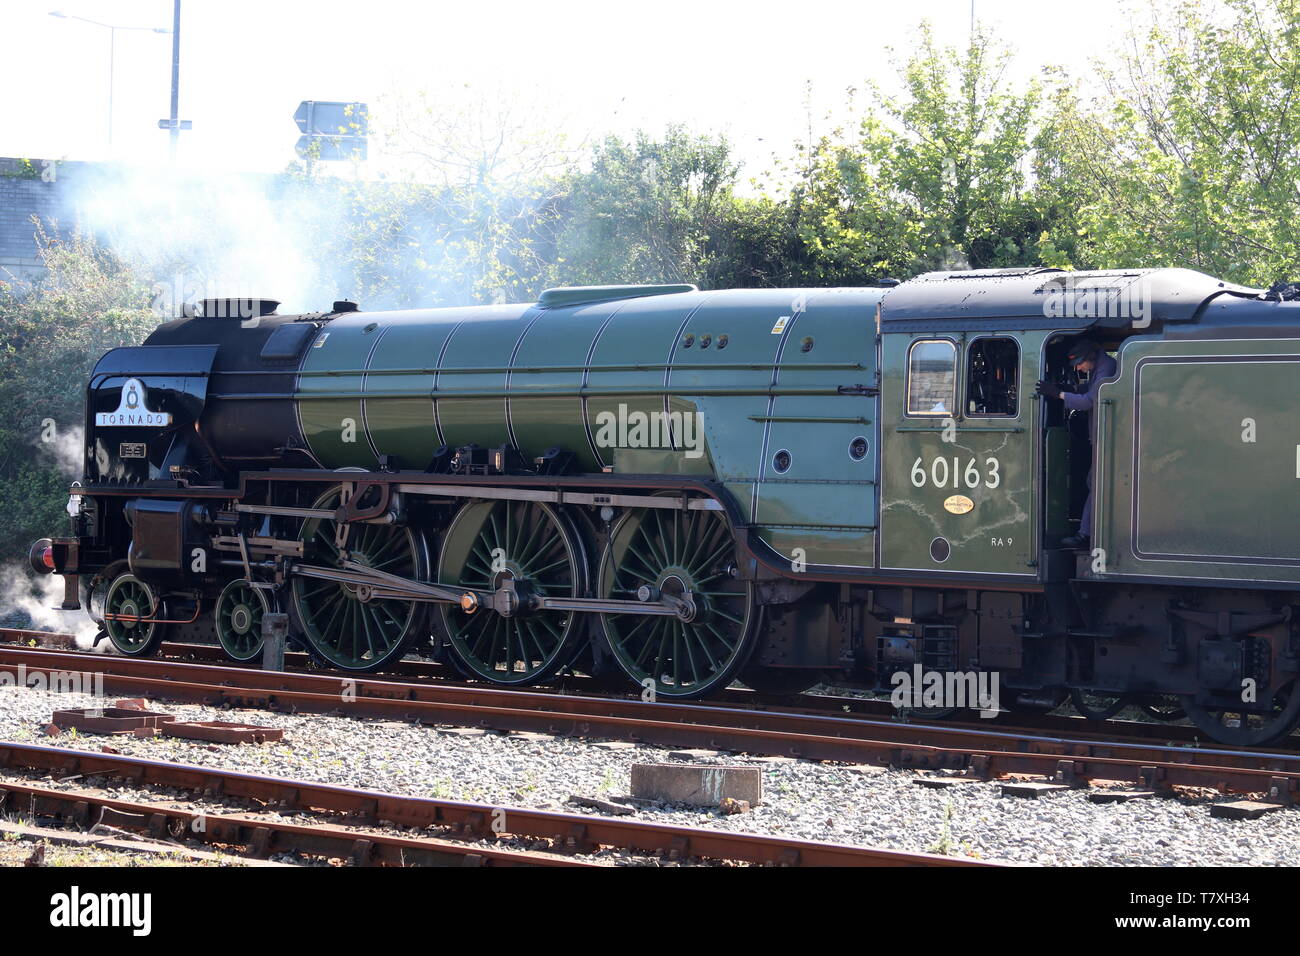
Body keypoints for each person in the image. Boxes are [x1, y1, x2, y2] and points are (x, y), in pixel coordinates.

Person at [1034, 339, 1117, 549]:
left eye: (1080, 363)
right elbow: (1090, 388)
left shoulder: (1106, 368)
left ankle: (1086, 535)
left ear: (1089, 357)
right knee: (1093, 482)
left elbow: (1090, 400)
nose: (1078, 368)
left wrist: (1058, 394)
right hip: (1102, 437)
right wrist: (1068, 387)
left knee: (1096, 483)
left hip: (1108, 437)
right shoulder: (1102, 367)